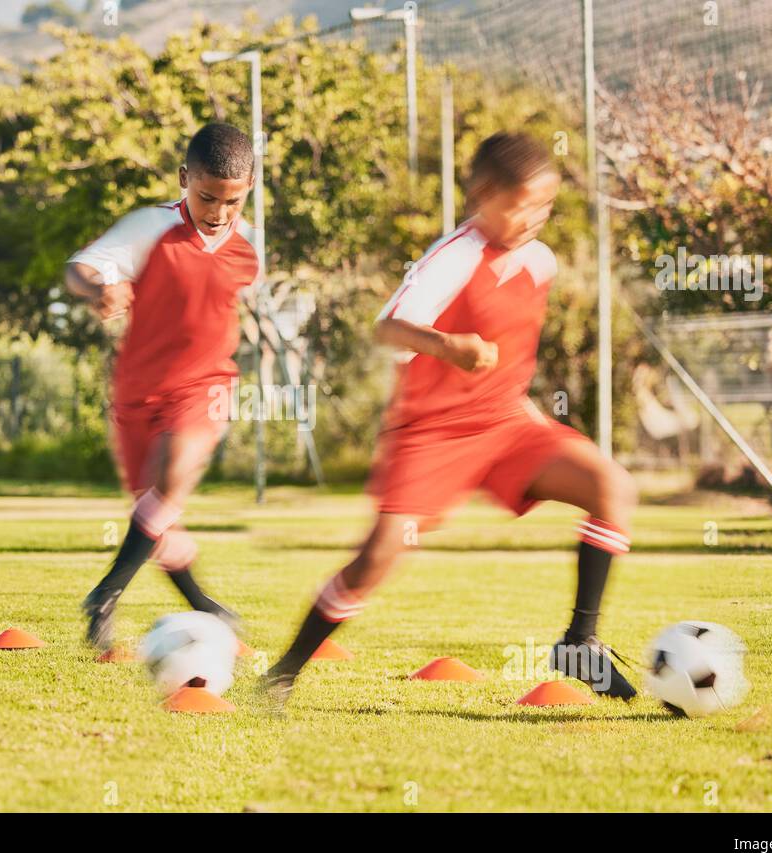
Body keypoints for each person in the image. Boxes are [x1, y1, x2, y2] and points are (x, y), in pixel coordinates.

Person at [262, 132, 639, 706]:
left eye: (546, 205)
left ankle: (579, 644)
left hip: (507, 425)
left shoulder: (540, 261)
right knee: (377, 558)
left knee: (612, 488)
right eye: (523, 204)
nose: (537, 217)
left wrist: (524, 404)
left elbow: (512, 351)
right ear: (484, 195)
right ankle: (283, 673)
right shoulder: (455, 256)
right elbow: (388, 326)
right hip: (432, 435)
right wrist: (449, 347)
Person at [64, 123, 261, 654]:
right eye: (206, 197)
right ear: (183, 180)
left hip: (206, 385)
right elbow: (77, 269)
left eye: (232, 201)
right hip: (137, 391)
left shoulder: (249, 249)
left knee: (171, 480)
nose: (218, 212)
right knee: (155, 516)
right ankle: (204, 605)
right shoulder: (149, 228)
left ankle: (104, 595)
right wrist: (100, 289)